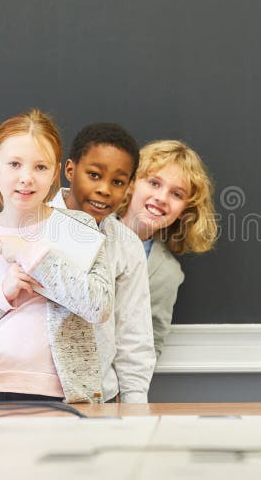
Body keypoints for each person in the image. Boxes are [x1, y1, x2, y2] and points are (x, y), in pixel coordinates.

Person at [0, 109, 113, 404]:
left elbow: (98, 306)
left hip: (60, 397)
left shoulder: (77, 228)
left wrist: (31, 256)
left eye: (40, 167)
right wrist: (0, 296)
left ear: (55, 171)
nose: (26, 178)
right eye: (14, 164)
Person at [49, 123, 155, 403]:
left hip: (98, 397)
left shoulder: (127, 246)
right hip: (34, 394)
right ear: (70, 170)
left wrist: (135, 405)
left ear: (130, 186)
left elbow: (133, 334)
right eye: (94, 175)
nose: (104, 190)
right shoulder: (35, 222)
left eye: (118, 182)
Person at [119, 140, 217, 360]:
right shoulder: (88, 229)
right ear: (132, 182)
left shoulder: (166, 273)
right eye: (154, 183)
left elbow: (149, 345)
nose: (161, 198)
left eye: (177, 194)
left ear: (184, 211)